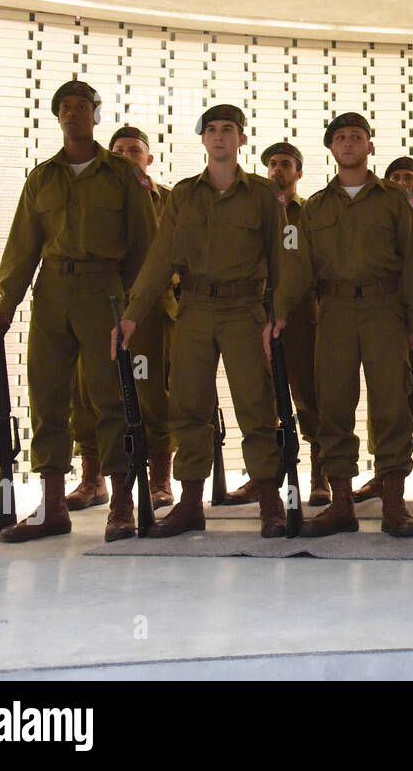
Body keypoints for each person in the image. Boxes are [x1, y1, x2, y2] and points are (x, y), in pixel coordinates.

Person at [0, 81, 158, 543]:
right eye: (66, 107)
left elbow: (145, 247)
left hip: (104, 291)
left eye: (82, 106)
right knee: (47, 399)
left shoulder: (122, 175)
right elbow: (23, 245)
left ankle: (121, 502)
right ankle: (53, 506)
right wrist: (6, 307)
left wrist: (134, 308)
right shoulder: (42, 177)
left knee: (111, 397)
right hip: (52, 290)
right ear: (57, 117)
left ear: (95, 116)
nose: (74, 113)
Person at [115, 105, 287, 539]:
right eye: (211, 130)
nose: (219, 136)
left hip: (245, 309)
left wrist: (277, 315)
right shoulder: (184, 195)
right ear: (204, 139)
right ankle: (191, 502)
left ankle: (270, 499)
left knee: (256, 406)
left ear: (241, 139)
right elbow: (160, 258)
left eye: (228, 129)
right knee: (187, 406)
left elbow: (283, 259)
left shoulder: (265, 195)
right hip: (193, 307)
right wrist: (132, 316)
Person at [269, 113, 413, 538]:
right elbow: (299, 266)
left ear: (369, 146)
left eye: (357, 136)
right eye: (340, 137)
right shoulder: (317, 207)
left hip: (384, 309)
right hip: (334, 311)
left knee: (392, 406)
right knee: (333, 406)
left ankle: (394, 505)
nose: (349, 142)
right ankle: (341, 505)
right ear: (332, 149)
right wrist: (281, 312)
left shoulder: (395, 200)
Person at [66, 125, 176, 511]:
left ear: (149, 159)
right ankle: (93, 479)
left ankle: (159, 478)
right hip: (98, 308)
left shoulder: (169, 200)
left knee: (150, 396)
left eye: (134, 150)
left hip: (148, 315)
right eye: (119, 150)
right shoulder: (95, 194)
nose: (127, 156)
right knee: (89, 394)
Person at [221, 141, 326, 507]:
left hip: (301, 317)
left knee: (309, 396)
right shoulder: (255, 207)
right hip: (255, 313)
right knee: (259, 398)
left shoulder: (311, 212)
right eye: (272, 164)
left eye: (285, 164)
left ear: (299, 172)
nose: (277, 170)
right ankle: (262, 477)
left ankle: (320, 474)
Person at [351, 156, 413, 504]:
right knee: (384, 395)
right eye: (394, 177)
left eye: (408, 176)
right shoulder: (372, 221)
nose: (401, 181)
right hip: (383, 318)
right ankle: (386, 474)